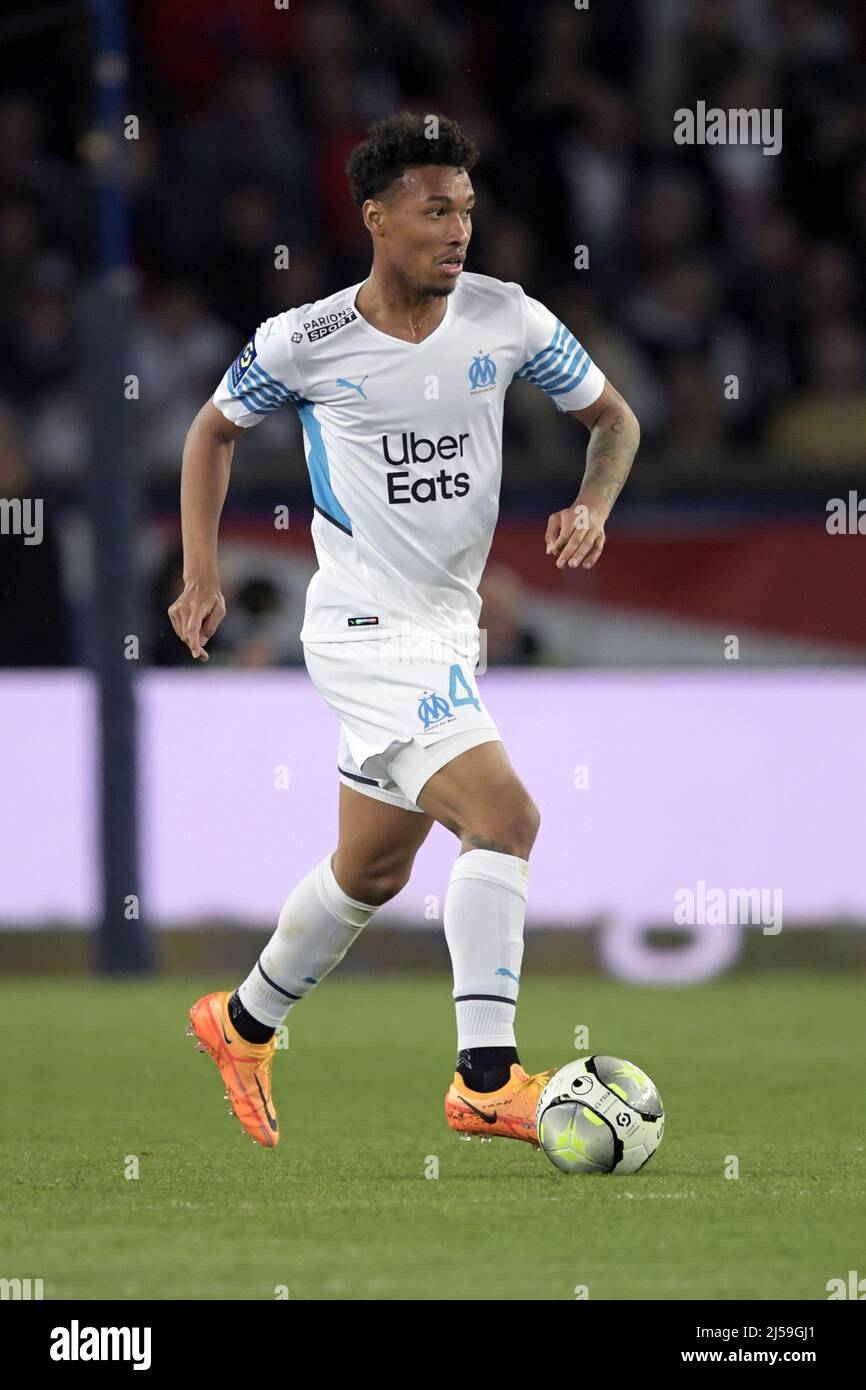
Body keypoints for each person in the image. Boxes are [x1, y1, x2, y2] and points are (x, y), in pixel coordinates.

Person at [171, 112, 640, 1149]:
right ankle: (484, 1077)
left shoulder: (506, 320)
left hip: (446, 631)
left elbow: (614, 420)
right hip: (361, 629)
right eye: (435, 210)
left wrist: (592, 505)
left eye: (466, 210)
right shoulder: (306, 340)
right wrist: (202, 574)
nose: (456, 229)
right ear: (376, 216)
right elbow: (211, 432)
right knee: (505, 817)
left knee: (370, 871)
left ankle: (241, 1021)